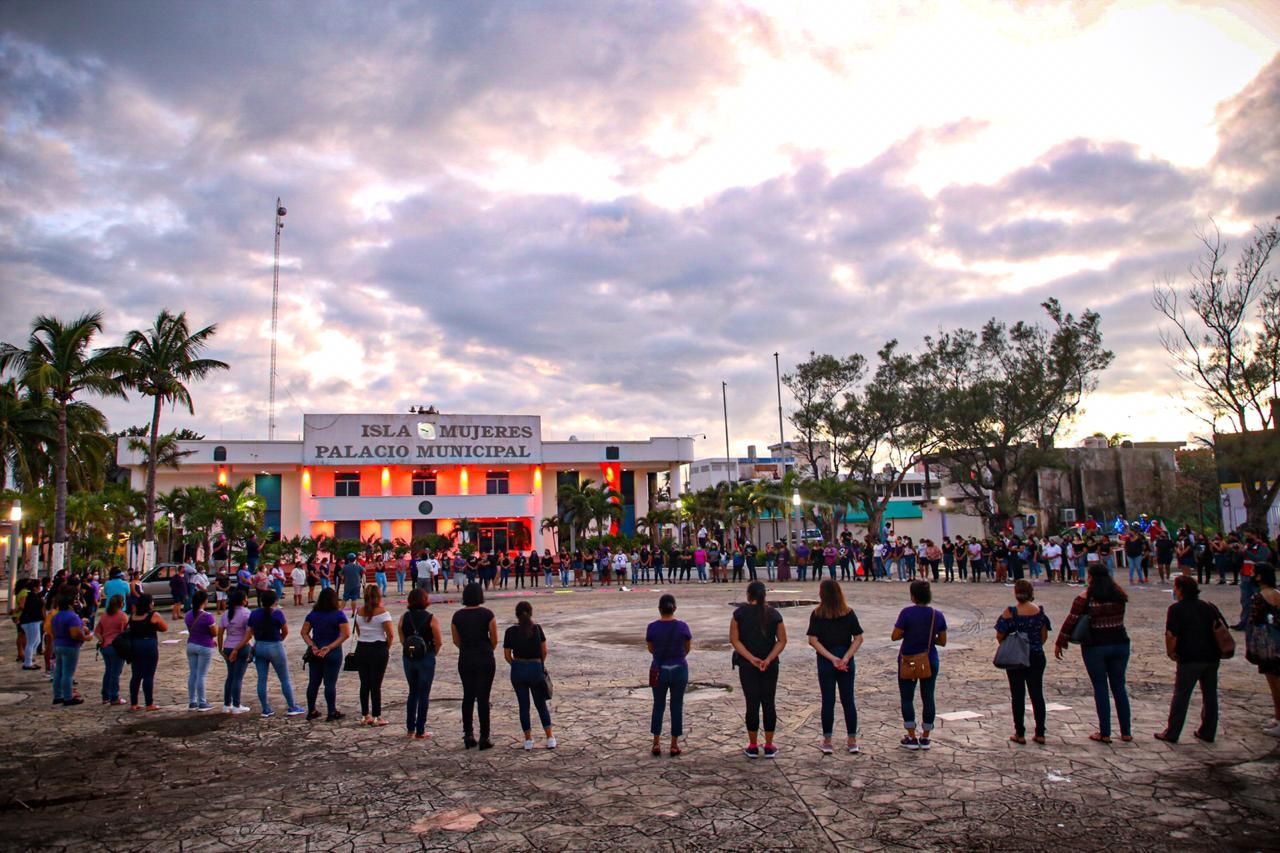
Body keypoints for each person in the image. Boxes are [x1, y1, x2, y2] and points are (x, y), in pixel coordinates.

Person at [1055, 564, 1132, 744]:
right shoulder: (1119, 596)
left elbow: (1071, 621)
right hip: (1120, 643)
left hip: (1095, 645)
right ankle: (1126, 731)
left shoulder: (1085, 598)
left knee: (1100, 687)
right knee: (1119, 686)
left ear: (1090, 577)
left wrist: (1060, 642)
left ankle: (1105, 732)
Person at [1155, 576, 1223, 743]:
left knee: (1181, 695)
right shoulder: (1207, 607)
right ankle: (1208, 731)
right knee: (1210, 695)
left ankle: (1172, 732)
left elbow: (1171, 635)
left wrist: (1171, 652)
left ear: (1180, 590)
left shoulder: (1176, 609)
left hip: (1189, 657)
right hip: (1211, 656)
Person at [807, 579, 865, 755]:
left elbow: (813, 640)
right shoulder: (848, 613)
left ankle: (827, 740)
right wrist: (846, 657)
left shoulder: (817, 614)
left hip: (826, 659)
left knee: (828, 701)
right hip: (845, 659)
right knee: (848, 700)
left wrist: (832, 658)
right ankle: (852, 740)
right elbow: (858, 638)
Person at [730, 580, 787, 758]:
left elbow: (734, 640)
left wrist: (750, 658)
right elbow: (782, 640)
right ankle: (769, 745)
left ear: (749, 595)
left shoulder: (739, 614)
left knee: (752, 703)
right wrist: (769, 658)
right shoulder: (774, 614)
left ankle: (753, 745)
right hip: (769, 665)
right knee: (769, 703)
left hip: (748, 665)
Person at [995, 579, 1052, 745]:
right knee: (1037, 693)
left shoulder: (1010, 613)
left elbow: (1000, 635)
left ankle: (1019, 732)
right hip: (1035, 655)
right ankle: (1040, 732)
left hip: (1016, 657)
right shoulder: (1039, 613)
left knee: (1017, 695)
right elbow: (1043, 636)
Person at [233, 589, 306, 718]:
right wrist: (280, 639)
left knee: (262, 679)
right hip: (275, 645)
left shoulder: (254, 614)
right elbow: (285, 631)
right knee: (284, 678)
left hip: (260, 645)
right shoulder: (277, 614)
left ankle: (265, 708)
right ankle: (292, 706)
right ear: (275, 601)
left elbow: (250, 631)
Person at [893, 581, 947, 749]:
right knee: (928, 696)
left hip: (908, 659)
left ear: (913, 596)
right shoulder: (937, 615)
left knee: (907, 698)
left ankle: (911, 736)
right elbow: (943, 641)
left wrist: (910, 634)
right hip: (929, 659)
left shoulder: (906, 613)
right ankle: (925, 736)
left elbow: (895, 636)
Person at [503, 601, 556, 750]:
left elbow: (507, 655)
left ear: (516, 614)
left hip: (518, 669)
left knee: (523, 706)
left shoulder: (510, 631)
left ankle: (528, 740)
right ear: (531, 613)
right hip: (535, 668)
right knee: (540, 704)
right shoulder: (537, 629)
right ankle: (550, 737)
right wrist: (539, 664)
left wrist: (515, 665)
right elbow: (544, 651)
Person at [452, 582, 498, 749]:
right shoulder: (487, 614)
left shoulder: (457, 616)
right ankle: (485, 736)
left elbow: (456, 640)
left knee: (468, 696)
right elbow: (494, 638)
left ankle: (468, 734)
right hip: (484, 657)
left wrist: (467, 648)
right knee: (483, 698)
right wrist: (487, 649)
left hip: (466, 657)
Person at [646, 594, 691, 757]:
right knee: (677, 705)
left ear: (659, 609)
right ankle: (674, 744)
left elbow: (651, 649)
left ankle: (656, 743)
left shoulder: (652, 627)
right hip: (679, 668)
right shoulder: (683, 627)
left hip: (659, 668)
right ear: (675, 608)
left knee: (658, 705)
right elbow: (687, 648)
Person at [400, 587, 443, 739]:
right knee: (424, 694)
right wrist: (432, 653)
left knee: (413, 692)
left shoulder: (405, 617)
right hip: (426, 657)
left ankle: (410, 728)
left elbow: (402, 638)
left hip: (409, 657)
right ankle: (420, 730)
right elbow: (438, 640)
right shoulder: (431, 618)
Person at [302, 588, 350, 722]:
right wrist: (330, 647)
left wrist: (312, 645)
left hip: (316, 651)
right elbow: (345, 634)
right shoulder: (338, 615)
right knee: (330, 683)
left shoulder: (313, 614)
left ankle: (311, 710)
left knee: (313, 682)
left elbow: (304, 632)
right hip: (332, 651)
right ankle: (331, 711)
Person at [352, 584, 394, 726]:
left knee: (364, 683)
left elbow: (358, 631)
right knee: (376, 684)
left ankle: (365, 715)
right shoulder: (383, 613)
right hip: (378, 647)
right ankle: (377, 716)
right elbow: (390, 634)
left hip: (362, 647)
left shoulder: (359, 611)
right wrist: (386, 647)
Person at [1246, 563, 1280, 736]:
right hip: (1276, 639)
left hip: (1266, 643)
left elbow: (1254, 621)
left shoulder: (1258, 597)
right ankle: (1278, 717)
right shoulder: (1277, 594)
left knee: (1274, 683)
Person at [127, 594, 168, 711]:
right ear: (149, 603)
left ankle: (133, 703)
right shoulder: (153, 615)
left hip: (135, 644)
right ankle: (149, 703)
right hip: (148, 644)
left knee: (136, 675)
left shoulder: (133, 615)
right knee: (148, 675)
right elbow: (164, 627)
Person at [217, 590, 253, 714]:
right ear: (243, 600)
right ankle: (237, 705)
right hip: (242, 647)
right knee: (238, 677)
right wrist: (237, 649)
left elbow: (220, 633)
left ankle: (227, 704)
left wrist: (220, 648)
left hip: (228, 646)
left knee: (230, 676)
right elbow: (248, 635)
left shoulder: (226, 614)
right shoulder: (246, 613)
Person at [50, 591, 88, 706]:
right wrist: (86, 637)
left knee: (58, 672)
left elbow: (53, 632)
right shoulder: (72, 617)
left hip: (58, 644)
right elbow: (75, 634)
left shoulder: (55, 616)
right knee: (68, 673)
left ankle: (58, 695)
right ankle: (68, 697)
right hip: (70, 646)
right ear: (69, 605)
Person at [184, 590, 218, 711]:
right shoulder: (208, 616)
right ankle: (202, 702)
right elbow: (214, 632)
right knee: (201, 675)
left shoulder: (188, 615)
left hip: (191, 644)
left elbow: (191, 630)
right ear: (204, 601)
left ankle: (192, 701)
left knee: (193, 673)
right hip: (204, 645)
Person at [94, 594, 129, 704]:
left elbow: (97, 632)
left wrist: (102, 639)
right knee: (115, 672)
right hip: (117, 647)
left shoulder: (104, 616)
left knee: (108, 671)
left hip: (105, 646)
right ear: (121, 604)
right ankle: (114, 696)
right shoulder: (122, 616)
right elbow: (126, 632)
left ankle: (105, 695)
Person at [17, 579, 45, 671]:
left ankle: (29, 659)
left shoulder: (33, 596)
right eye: (39, 585)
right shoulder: (31, 597)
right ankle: (28, 663)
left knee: (37, 640)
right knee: (31, 642)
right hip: (31, 621)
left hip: (33, 621)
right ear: (35, 587)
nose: (40, 587)